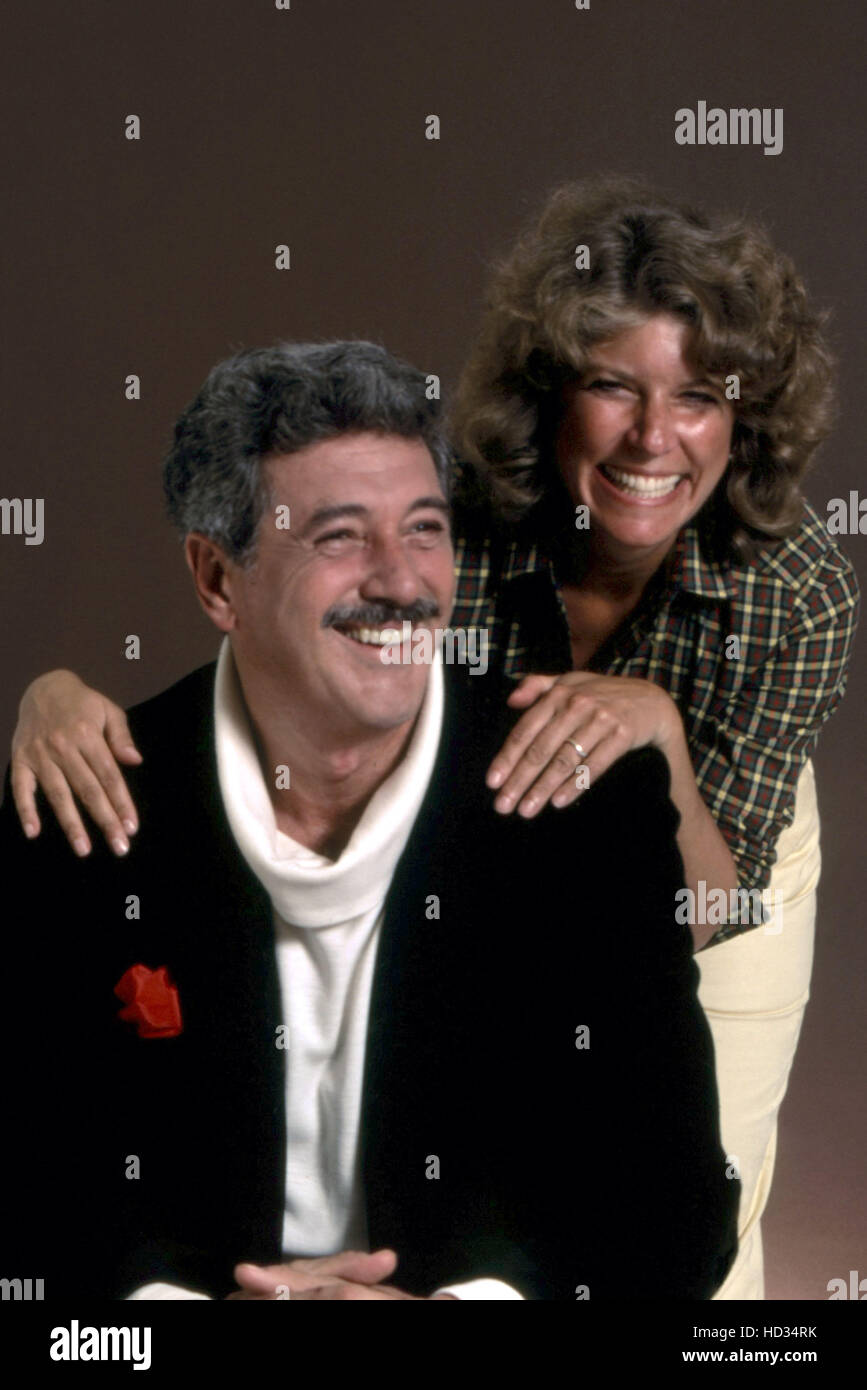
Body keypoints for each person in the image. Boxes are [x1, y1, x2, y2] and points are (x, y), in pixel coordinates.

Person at [9, 177, 859, 1299]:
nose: (655, 434)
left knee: (716, 1200)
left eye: (700, 396)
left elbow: (706, 919)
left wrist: (651, 748)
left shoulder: (794, 595)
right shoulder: (477, 507)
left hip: (715, 842)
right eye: (613, 385)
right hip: (499, 773)